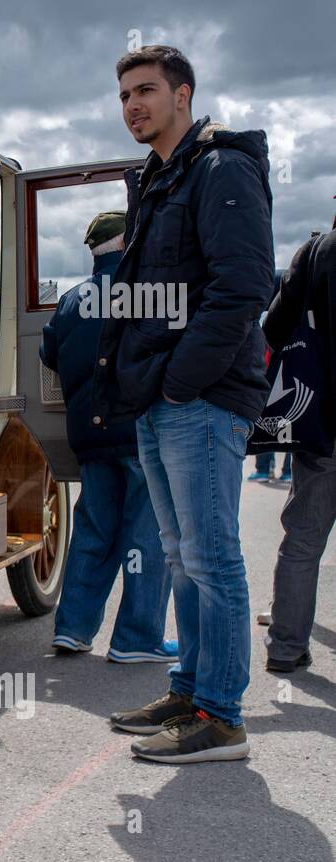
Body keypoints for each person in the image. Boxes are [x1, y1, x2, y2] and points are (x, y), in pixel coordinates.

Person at [94, 46, 275, 763]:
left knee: (211, 557)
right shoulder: (159, 180)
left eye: (146, 91)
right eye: (125, 96)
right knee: (179, 557)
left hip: (198, 398)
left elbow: (243, 288)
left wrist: (178, 381)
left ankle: (222, 717)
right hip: (159, 399)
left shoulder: (222, 169)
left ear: (183, 94)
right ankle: (192, 689)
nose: (133, 105)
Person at [41, 211, 175, 662]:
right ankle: (137, 639)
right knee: (147, 534)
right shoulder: (147, 293)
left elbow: (49, 353)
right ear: (127, 242)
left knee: (93, 530)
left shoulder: (70, 300)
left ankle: (73, 628)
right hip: (139, 431)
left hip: (89, 435)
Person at [259, 222, 336, 672]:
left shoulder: (313, 253)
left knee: (303, 542)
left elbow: (272, 328)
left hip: (320, 426)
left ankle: (286, 648)